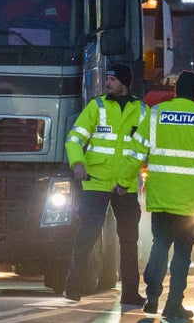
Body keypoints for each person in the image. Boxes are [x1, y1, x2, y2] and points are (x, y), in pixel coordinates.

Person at [118, 69, 194, 321]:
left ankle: (152, 295)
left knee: (160, 245)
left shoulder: (155, 115)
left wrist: (123, 181)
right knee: (183, 253)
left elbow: (136, 152)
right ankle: (174, 304)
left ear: (176, 91)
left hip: (160, 195)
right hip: (189, 201)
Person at [63, 62, 148, 303]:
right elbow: (74, 138)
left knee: (129, 239)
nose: (107, 83)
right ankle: (73, 287)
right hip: (95, 181)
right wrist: (77, 163)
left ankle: (130, 293)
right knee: (87, 235)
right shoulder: (97, 106)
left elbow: (145, 148)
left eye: (112, 79)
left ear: (124, 83)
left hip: (126, 185)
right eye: (107, 78)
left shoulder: (142, 111)